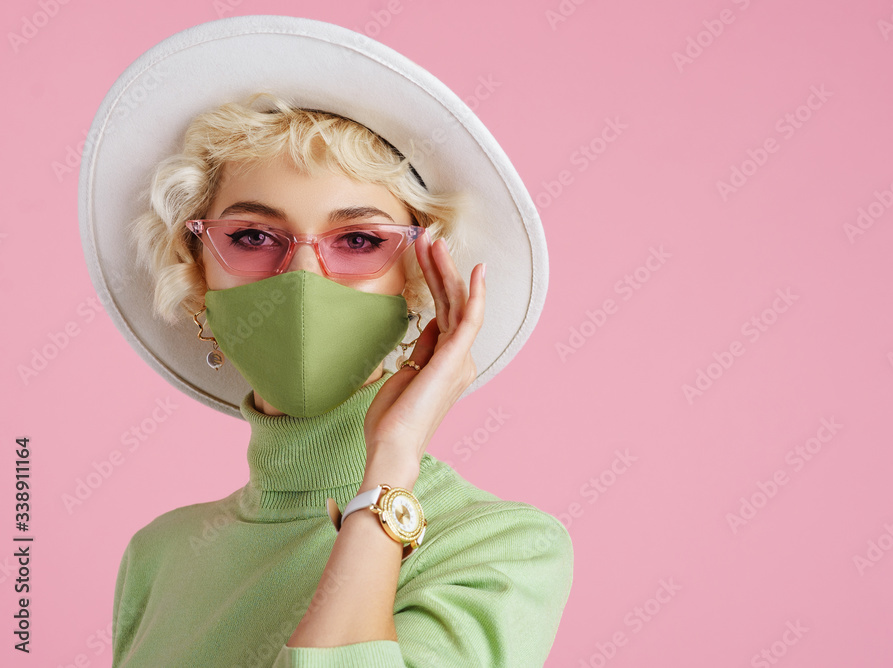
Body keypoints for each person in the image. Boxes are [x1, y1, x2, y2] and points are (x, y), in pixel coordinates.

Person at [83, 15, 572, 668]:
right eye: (253, 237)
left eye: (360, 241)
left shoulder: (501, 548)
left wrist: (391, 462)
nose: (303, 279)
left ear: (421, 283)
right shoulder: (161, 555)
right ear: (196, 276)